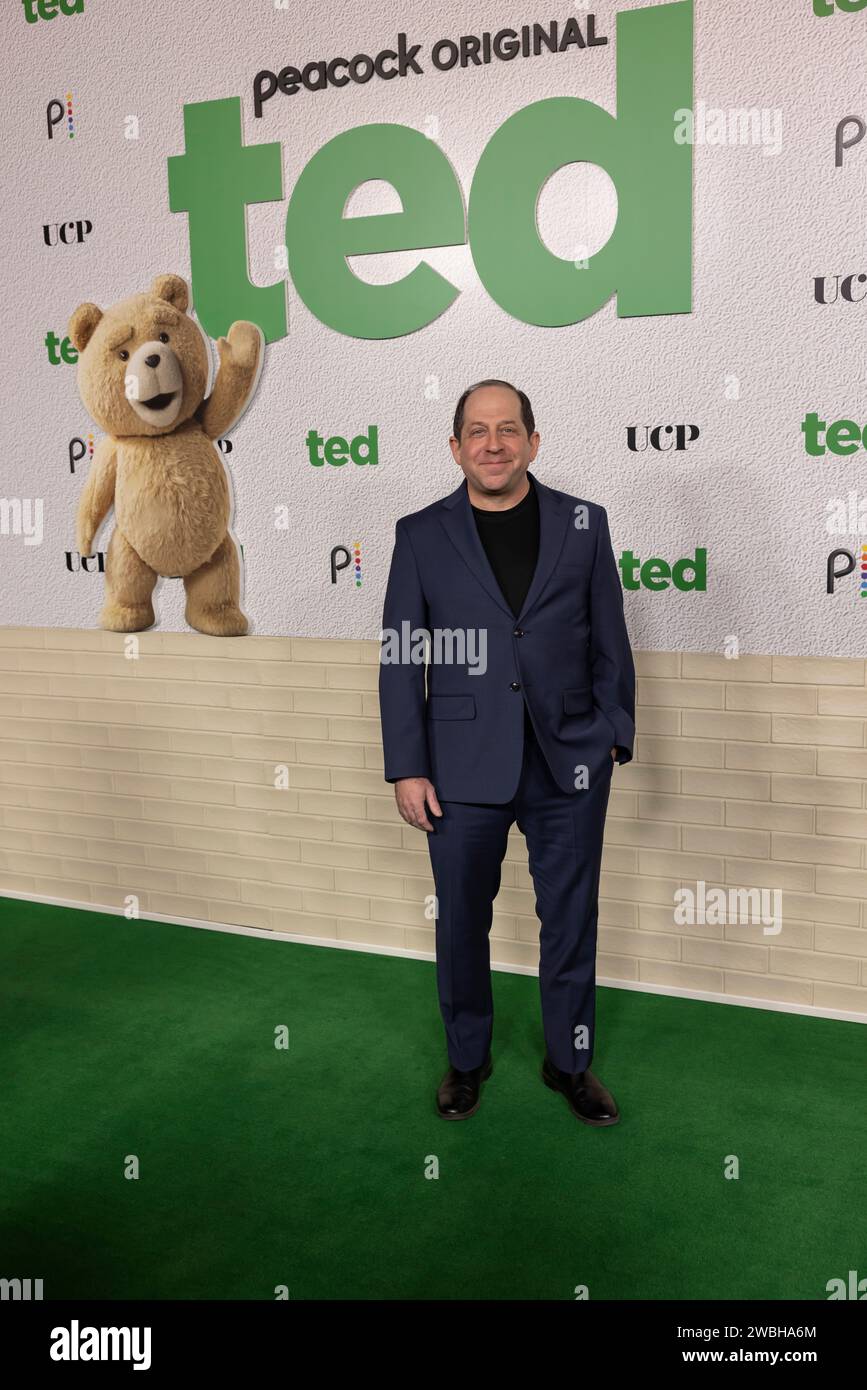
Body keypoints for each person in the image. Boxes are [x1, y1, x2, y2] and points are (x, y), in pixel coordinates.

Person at [378, 380, 635, 1125]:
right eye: (478, 431)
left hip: (569, 764)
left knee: (571, 920)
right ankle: (466, 1060)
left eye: (509, 428)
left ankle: (570, 1062)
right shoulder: (420, 534)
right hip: (458, 768)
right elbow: (402, 657)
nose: (494, 443)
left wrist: (613, 730)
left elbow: (608, 636)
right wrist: (406, 764)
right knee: (461, 920)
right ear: (455, 447)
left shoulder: (584, 524)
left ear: (532, 440)